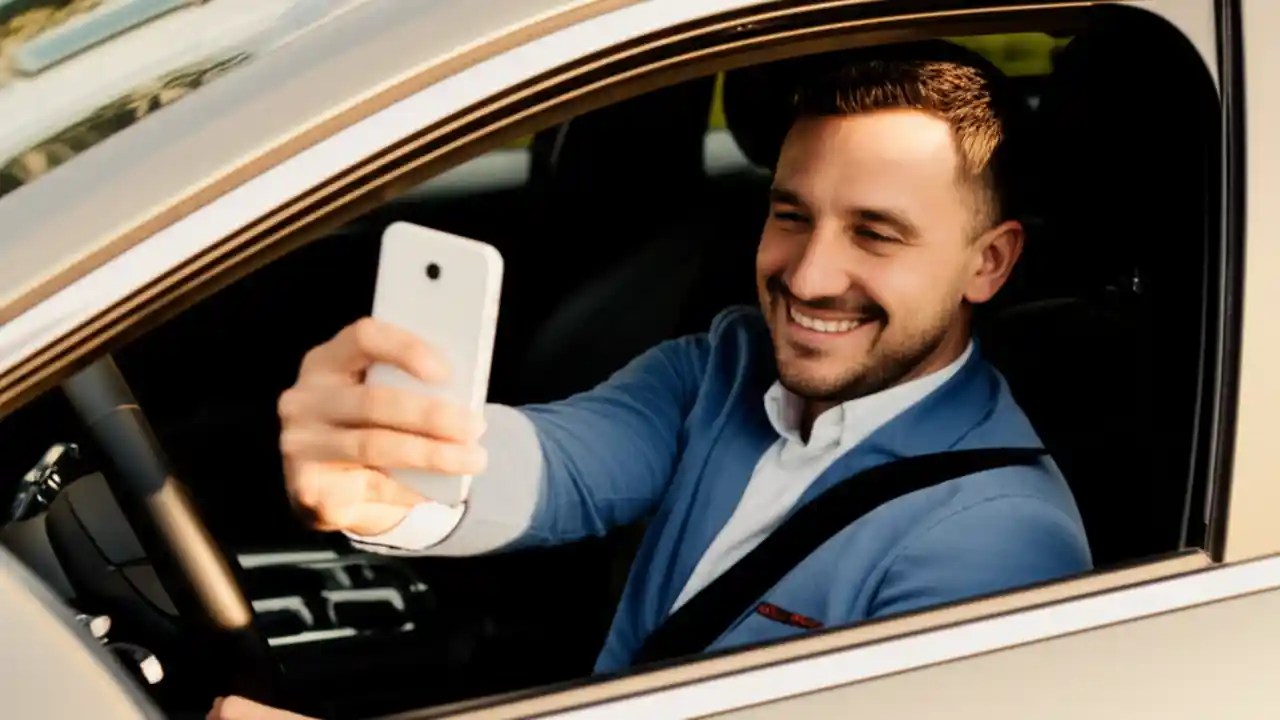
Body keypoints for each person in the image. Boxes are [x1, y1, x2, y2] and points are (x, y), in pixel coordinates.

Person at [210, 41, 1091, 719]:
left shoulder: (997, 544)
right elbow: (560, 464)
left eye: (876, 234)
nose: (808, 275)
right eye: (791, 216)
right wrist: (393, 482)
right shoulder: (723, 363)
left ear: (988, 263)